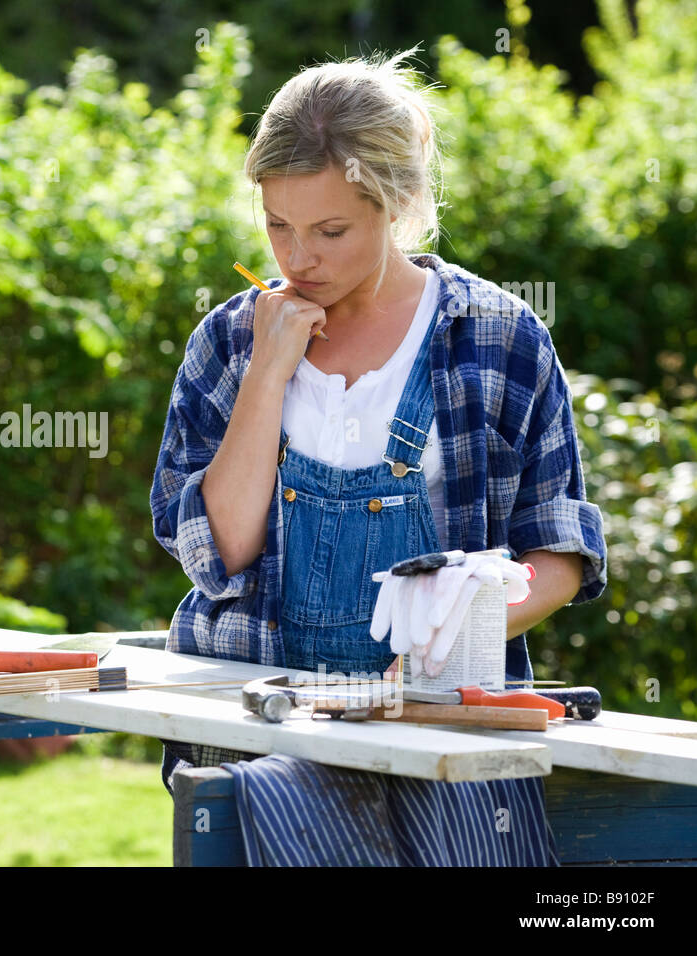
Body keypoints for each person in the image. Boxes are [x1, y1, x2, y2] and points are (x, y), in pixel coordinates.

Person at [149, 48, 608, 859]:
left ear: (395, 204)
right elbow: (215, 556)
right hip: (257, 726)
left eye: (331, 230)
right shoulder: (228, 342)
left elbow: (561, 554)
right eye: (277, 227)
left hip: (442, 725)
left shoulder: (499, 338)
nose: (298, 259)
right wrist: (268, 370)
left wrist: (457, 634)